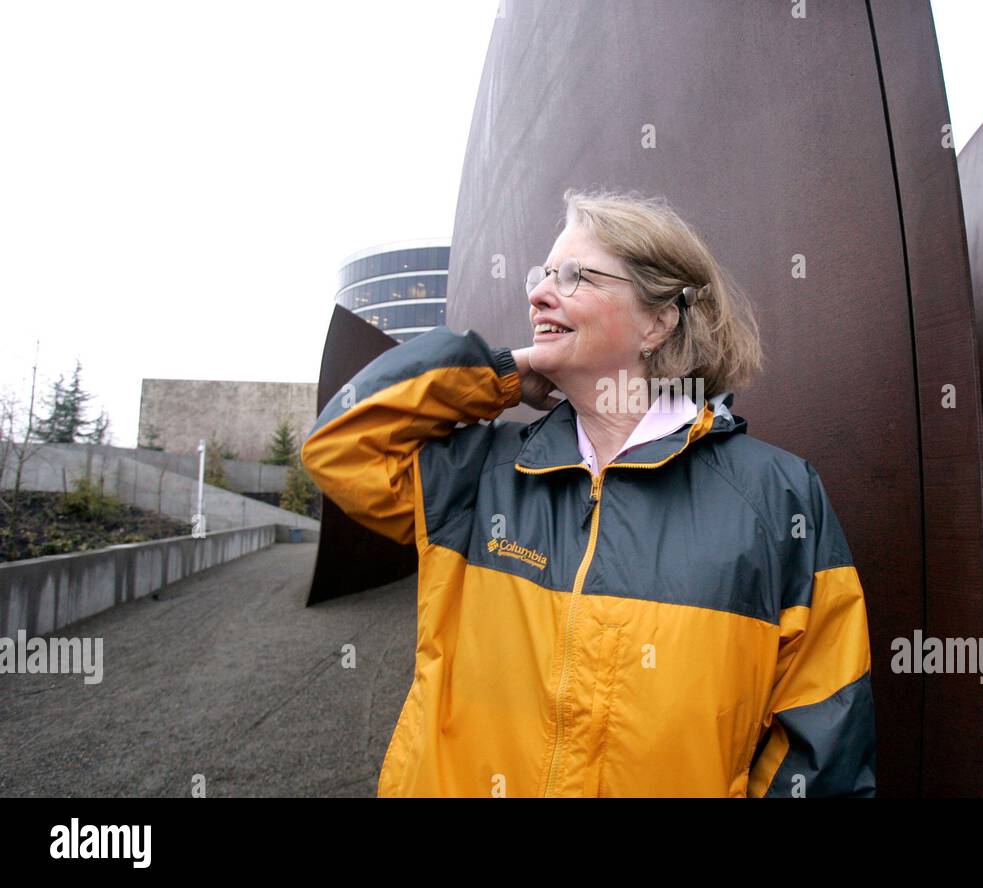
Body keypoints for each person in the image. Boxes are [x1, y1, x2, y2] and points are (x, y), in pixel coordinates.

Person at [301, 188, 877, 797]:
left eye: (575, 276)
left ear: (659, 320)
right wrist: (498, 374)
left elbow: (823, 740)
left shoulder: (779, 497)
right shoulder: (482, 476)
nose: (539, 293)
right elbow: (340, 444)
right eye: (543, 275)